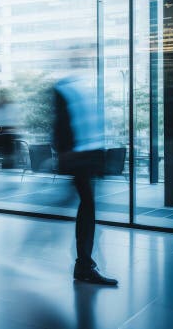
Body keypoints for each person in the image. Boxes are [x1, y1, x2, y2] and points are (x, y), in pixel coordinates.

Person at [53, 59, 118, 286]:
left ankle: (84, 264)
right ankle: (84, 265)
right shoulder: (65, 88)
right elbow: (62, 125)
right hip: (79, 158)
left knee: (85, 206)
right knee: (87, 206)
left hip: (84, 157)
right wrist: (66, 154)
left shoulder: (77, 87)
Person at [0, 88, 22, 171]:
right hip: (1, 132)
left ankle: (5, 167)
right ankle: (0, 166)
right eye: (1, 95)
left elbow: (15, 121)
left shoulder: (9, 106)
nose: (2, 97)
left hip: (4, 132)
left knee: (7, 156)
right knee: (1, 154)